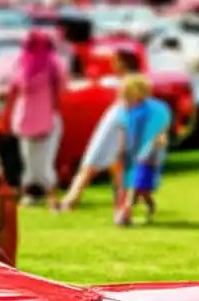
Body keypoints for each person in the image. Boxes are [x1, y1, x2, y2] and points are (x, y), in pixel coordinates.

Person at [59, 49, 139, 210]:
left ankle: (70, 200)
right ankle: (123, 201)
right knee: (116, 166)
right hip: (117, 123)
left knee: (91, 164)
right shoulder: (131, 82)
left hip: (115, 124)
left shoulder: (129, 83)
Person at [0, 29, 66, 210]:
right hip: (47, 117)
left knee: (30, 159)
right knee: (44, 160)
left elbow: (12, 93)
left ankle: (32, 195)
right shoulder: (53, 64)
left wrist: (6, 115)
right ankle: (49, 197)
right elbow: (60, 90)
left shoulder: (21, 63)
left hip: (25, 118)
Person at [113, 74, 170, 226]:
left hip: (148, 154)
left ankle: (126, 214)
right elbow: (125, 132)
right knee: (138, 186)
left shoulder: (147, 111)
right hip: (135, 153)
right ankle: (139, 209)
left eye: (127, 96)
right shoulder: (128, 112)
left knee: (138, 185)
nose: (124, 100)